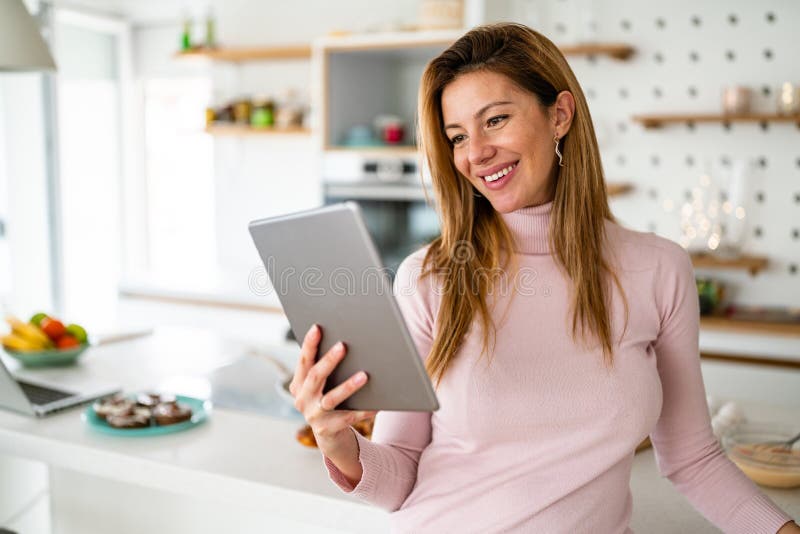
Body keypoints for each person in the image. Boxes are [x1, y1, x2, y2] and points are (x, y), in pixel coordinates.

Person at [289, 23, 798, 533]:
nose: (476, 152)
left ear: (559, 115)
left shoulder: (658, 270)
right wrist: (337, 439)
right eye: (458, 136)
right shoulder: (429, 278)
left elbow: (695, 460)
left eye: (496, 120)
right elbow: (398, 476)